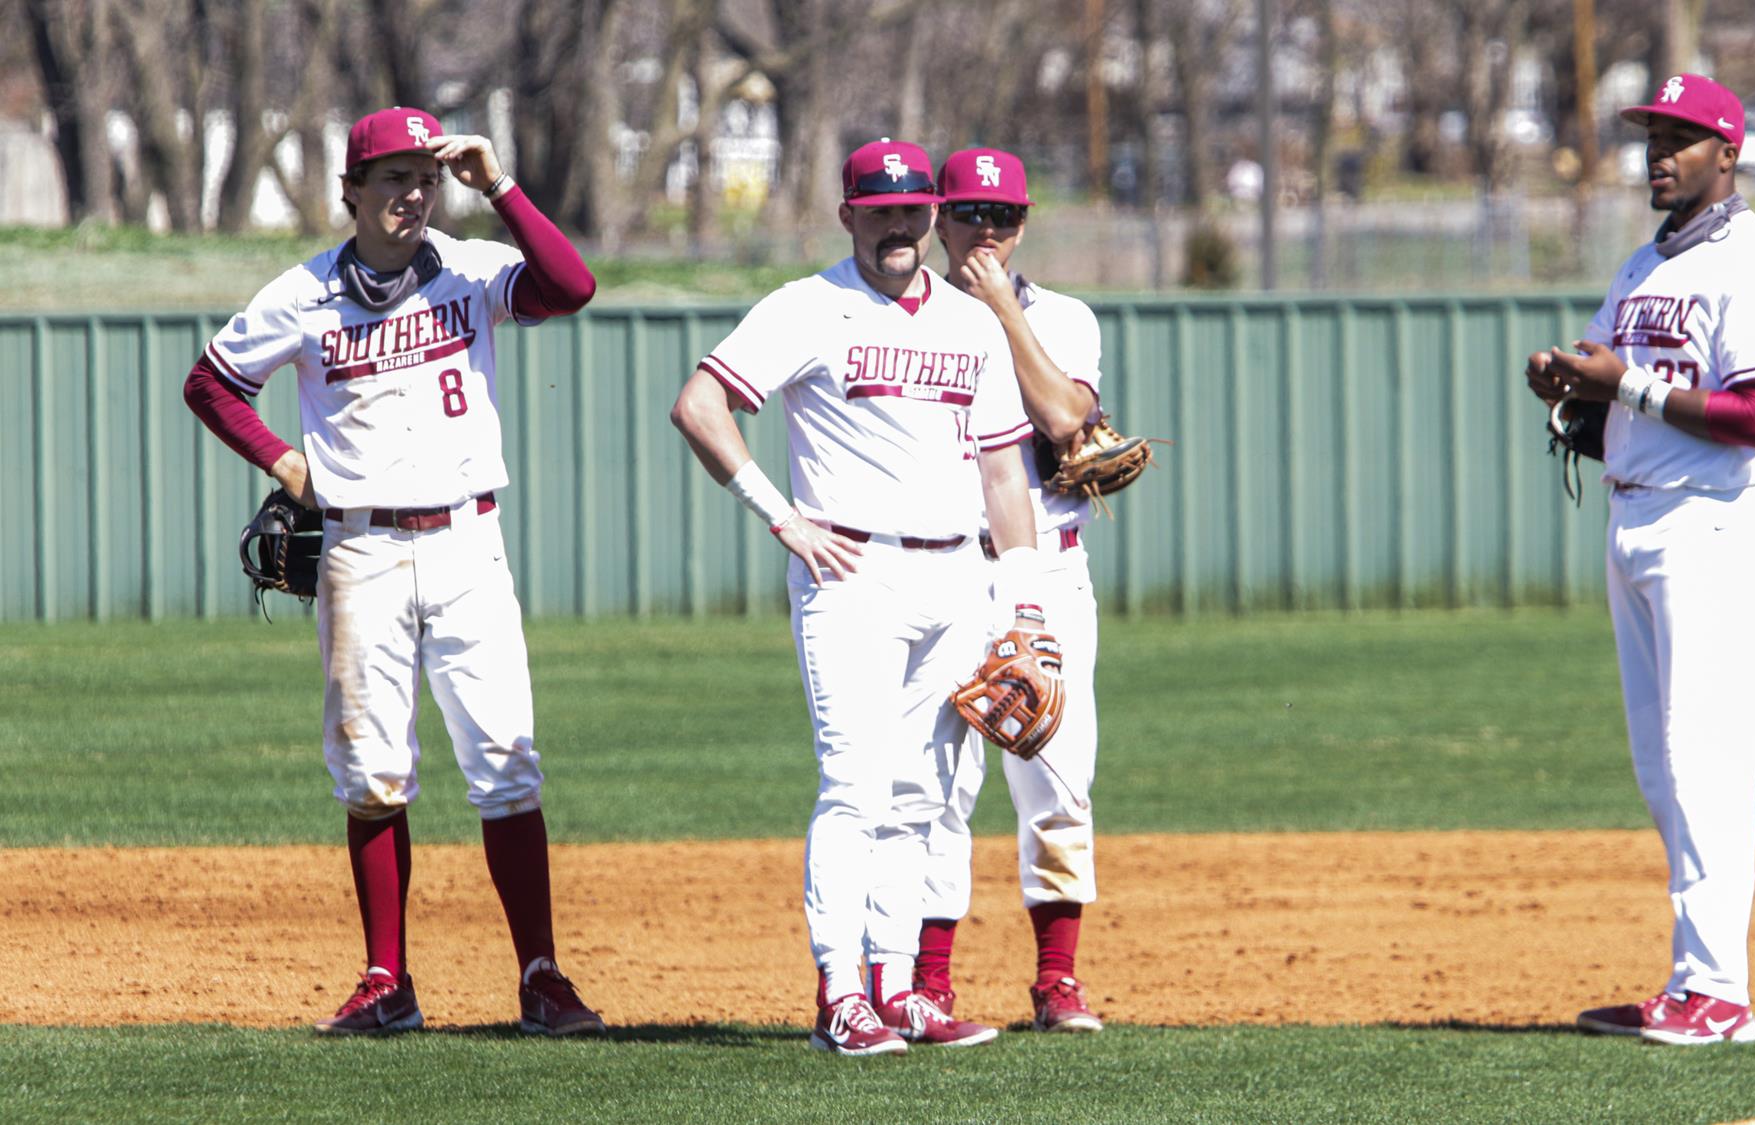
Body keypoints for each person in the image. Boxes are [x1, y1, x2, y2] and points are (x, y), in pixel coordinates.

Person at [183, 107, 604, 1036]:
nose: (413, 194)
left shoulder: (470, 264)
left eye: (425, 178)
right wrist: (287, 464)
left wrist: (497, 184)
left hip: (468, 543)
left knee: (506, 761)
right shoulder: (302, 293)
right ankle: (387, 980)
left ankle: (541, 975)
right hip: (362, 550)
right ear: (352, 192)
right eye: (393, 179)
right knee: (372, 772)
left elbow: (571, 287)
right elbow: (211, 383)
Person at [669, 138, 1051, 1056]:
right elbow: (700, 404)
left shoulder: (970, 322)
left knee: (922, 795)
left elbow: (1004, 472)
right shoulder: (811, 306)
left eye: (912, 207)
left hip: (957, 574)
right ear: (847, 215)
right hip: (853, 572)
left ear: (931, 214)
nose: (898, 223)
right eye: (878, 209)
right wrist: (782, 517)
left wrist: (1026, 606)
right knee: (854, 785)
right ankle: (839, 994)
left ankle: (898, 985)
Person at [1524, 73, 1755, 1046]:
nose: (1657, 151)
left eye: (1681, 137)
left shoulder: (1753, 266)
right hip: (1638, 522)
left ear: (1725, 156)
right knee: (1661, 770)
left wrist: (1625, 388)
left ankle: (1718, 996)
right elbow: (1615, 427)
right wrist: (1565, 392)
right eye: (1652, 133)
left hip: (1716, 531)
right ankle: (1693, 984)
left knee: (1702, 767)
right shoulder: (1640, 267)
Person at [917, 147, 1106, 1033]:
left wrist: (1000, 309)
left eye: (1002, 218)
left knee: (1058, 773)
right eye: (968, 215)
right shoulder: (903, 316)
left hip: (1049, 565)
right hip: (945, 566)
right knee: (937, 783)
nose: (985, 233)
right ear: (936, 218)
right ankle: (929, 980)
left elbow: (1066, 418)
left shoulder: (1064, 317)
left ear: (1023, 224)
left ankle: (1057, 980)